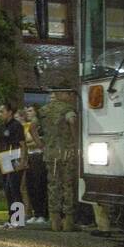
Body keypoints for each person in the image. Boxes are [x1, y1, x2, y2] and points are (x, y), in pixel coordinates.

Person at [41, 89, 79, 232]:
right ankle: (68, 222)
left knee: (53, 186)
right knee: (67, 186)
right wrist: (75, 142)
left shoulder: (44, 110)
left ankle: (54, 223)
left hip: (50, 154)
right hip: (66, 153)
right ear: (62, 94)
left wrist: (41, 144)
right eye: (69, 94)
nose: (71, 97)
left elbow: (32, 127)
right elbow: (72, 121)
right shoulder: (67, 109)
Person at [0, 102, 26, 228]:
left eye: (2, 111)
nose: (0, 114)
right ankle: (11, 218)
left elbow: (23, 144)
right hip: (5, 157)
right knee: (7, 189)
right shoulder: (3, 126)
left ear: (9, 112)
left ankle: (18, 219)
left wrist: (22, 161)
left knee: (15, 189)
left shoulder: (16, 126)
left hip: (14, 156)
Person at [22, 106, 48, 224]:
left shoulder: (41, 126)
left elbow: (39, 142)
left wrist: (31, 142)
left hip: (39, 156)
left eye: (31, 110)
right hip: (29, 156)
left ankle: (42, 213)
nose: (28, 113)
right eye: (27, 110)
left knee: (39, 185)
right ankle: (35, 212)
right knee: (30, 185)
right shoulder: (27, 126)